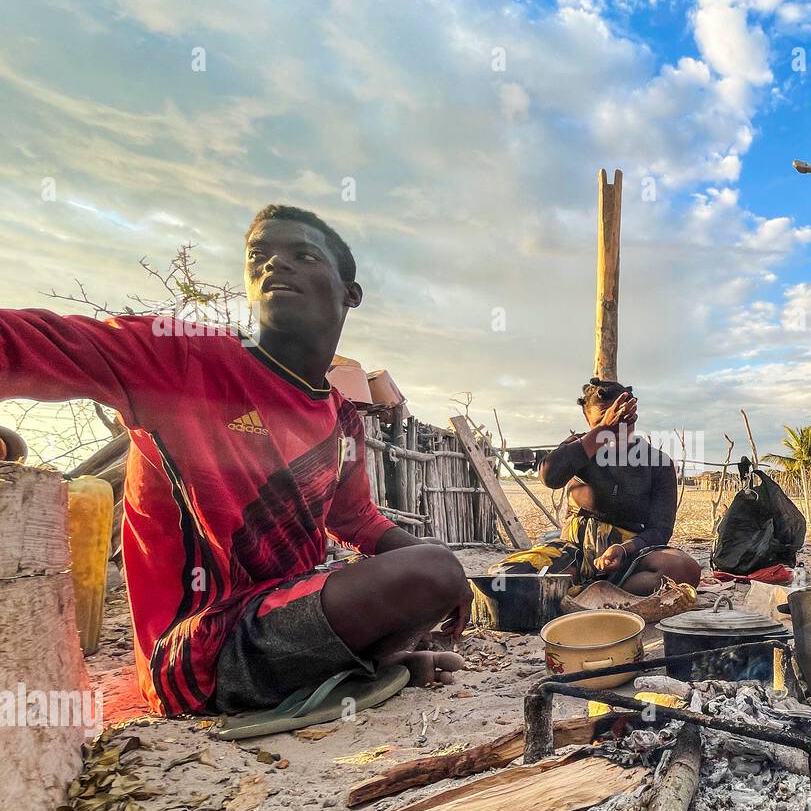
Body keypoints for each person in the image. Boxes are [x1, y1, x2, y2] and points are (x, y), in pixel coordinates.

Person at [0, 204, 472, 717]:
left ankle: (374, 659)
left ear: (350, 293)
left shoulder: (341, 419)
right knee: (431, 572)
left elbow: (356, 519)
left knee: (432, 569)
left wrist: (453, 577)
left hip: (285, 608)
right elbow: (26, 344)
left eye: (302, 255)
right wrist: (436, 573)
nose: (273, 265)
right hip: (196, 651)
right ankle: (363, 659)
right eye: (258, 257)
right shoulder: (182, 359)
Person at [497, 379, 700, 595]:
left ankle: (600, 591)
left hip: (628, 555)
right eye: (604, 418)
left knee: (684, 569)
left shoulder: (657, 463)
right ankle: (581, 587)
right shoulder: (579, 446)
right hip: (574, 550)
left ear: (633, 415)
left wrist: (625, 548)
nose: (616, 426)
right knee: (509, 575)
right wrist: (602, 432)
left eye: (623, 419)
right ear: (587, 419)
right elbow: (550, 478)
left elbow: (660, 529)